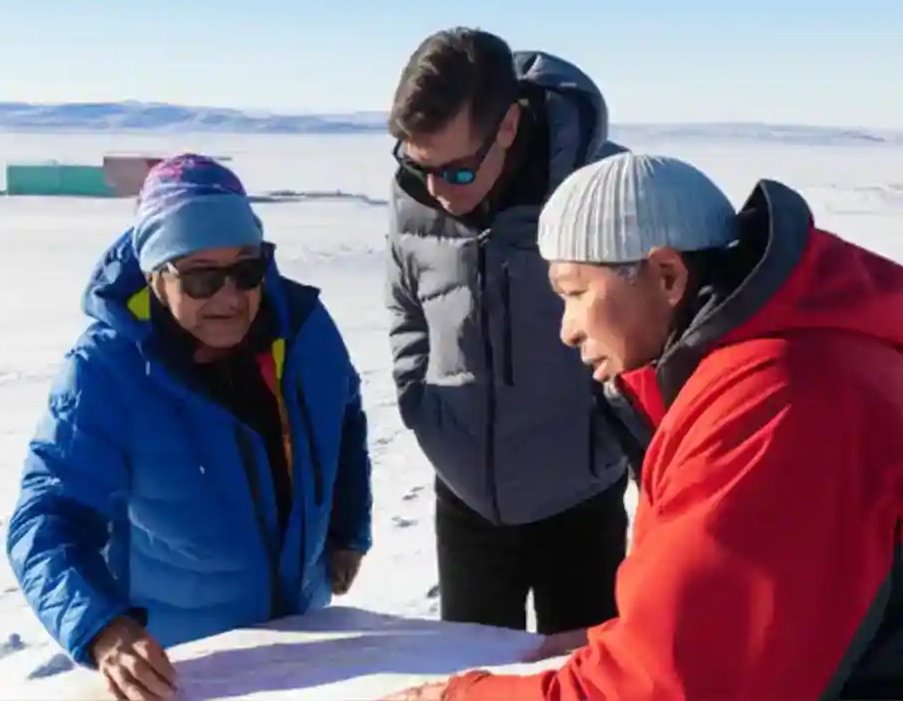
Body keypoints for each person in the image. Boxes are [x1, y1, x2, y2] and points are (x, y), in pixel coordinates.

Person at [387, 152, 903, 700]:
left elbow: (670, 686)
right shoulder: (785, 364)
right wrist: (622, 638)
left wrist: (459, 697)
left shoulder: (772, 401)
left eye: (575, 293)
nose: (567, 330)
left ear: (666, 275)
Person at [6, 154, 374, 701]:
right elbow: (47, 518)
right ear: (156, 274)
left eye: (246, 271)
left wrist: (347, 530)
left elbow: (341, 421)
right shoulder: (107, 370)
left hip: (303, 642)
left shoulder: (303, 330)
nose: (230, 298)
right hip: (186, 668)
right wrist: (102, 628)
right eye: (202, 278)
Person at [386, 26, 632, 634]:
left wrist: (606, 441)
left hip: (579, 497)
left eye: (457, 172)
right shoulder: (416, 191)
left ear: (509, 126)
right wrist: (424, 408)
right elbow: (406, 303)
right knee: (471, 668)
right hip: (465, 494)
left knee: (584, 666)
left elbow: (646, 329)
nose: (436, 193)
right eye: (419, 168)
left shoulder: (602, 192)